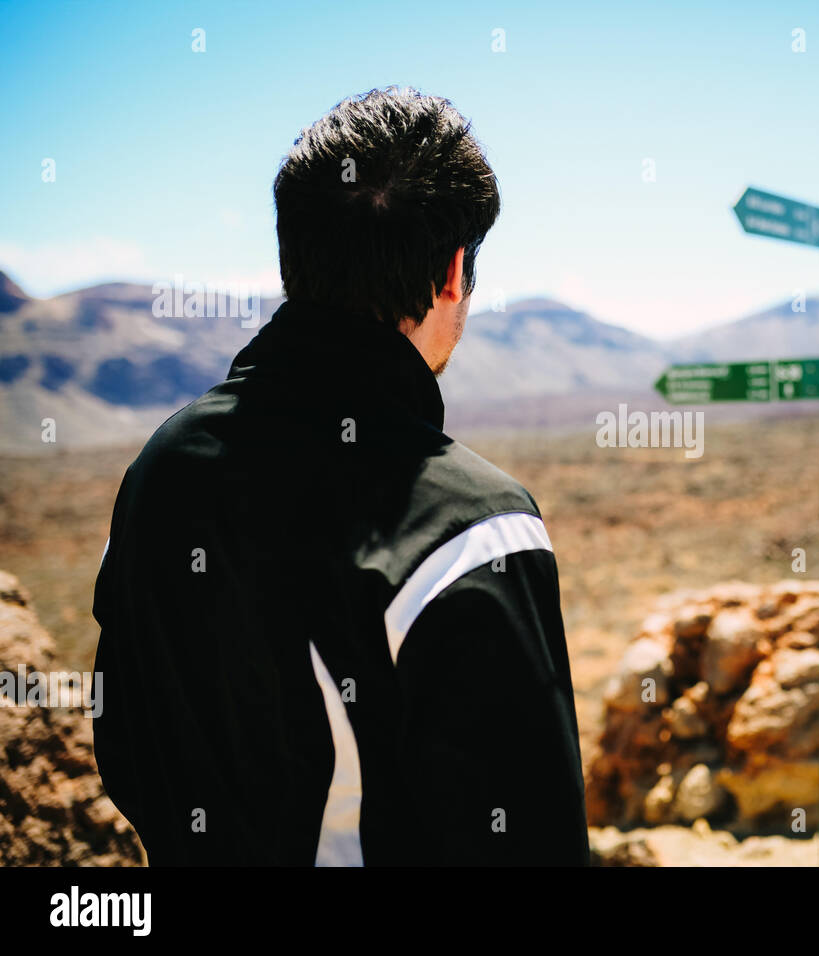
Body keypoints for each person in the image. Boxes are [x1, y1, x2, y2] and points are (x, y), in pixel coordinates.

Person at [92, 87, 589, 866]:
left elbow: (123, 742)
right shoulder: (472, 528)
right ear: (455, 272)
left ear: (296, 256)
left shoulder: (159, 470)